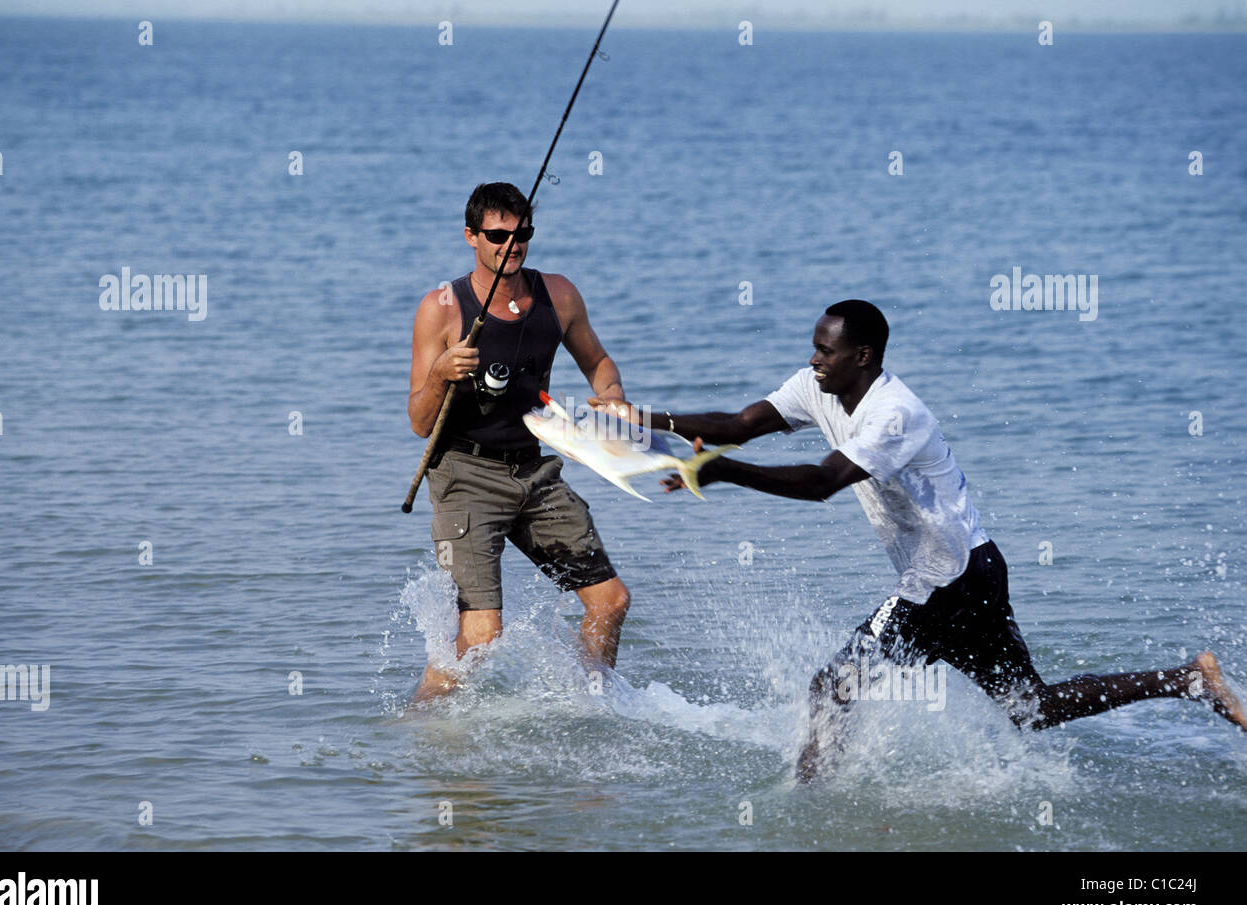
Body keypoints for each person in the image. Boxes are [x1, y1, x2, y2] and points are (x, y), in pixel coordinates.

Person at [647, 299, 1247, 779]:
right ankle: (1188, 679)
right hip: (974, 568)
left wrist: (720, 470)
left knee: (834, 686)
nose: (813, 360)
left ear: (863, 355)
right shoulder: (817, 386)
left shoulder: (894, 414)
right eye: (812, 348)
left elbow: (822, 482)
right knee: (1031, 710)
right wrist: (649, 419)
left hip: (945, 576)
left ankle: (807, 803)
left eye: (824, 351)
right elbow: (739, 424)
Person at [407, 182, 631, 701]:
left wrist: (613, 395)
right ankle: (422, 727)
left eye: (522, 233)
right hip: (465, 475)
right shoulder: (441, 308)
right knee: (482, 635)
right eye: (497, 235)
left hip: (533, 472)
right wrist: (442, 373)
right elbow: (419, 422)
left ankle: (593, 706)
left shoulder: (559, 294)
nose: (512, 245)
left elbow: (597, 363)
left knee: (610, 600)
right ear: (471, 237)